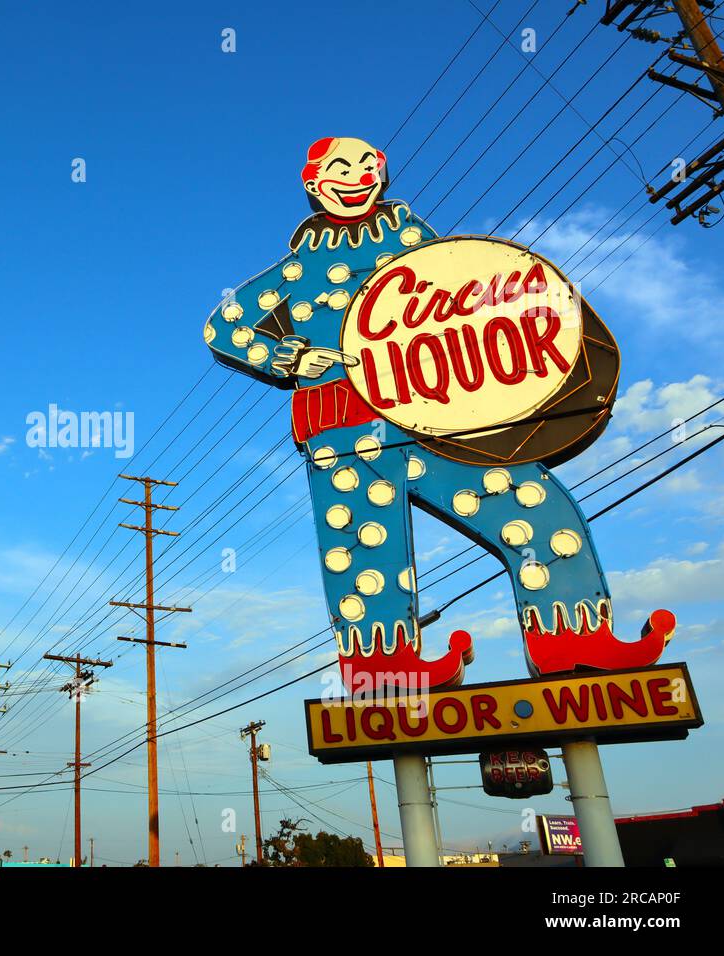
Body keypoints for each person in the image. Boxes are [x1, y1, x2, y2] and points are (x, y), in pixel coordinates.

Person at [203, 136, 674, 692]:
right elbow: (224, 328)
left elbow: (474, 291)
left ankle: (571, 640)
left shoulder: (417, 244)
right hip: (341, 428)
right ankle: (385, 672)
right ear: (313, 184)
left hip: (435, 414)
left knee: (530, 501)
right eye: (339, 167)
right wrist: (294, 356)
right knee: (363, 545)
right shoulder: (296, 270)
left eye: (367, 165)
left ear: (381, 174)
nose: (355, 176)